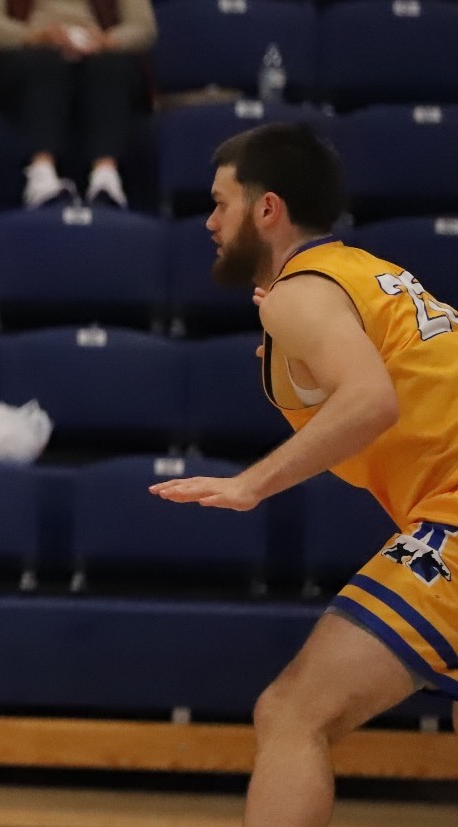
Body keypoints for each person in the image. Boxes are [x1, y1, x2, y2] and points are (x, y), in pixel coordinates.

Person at [151, 122, 458, 826]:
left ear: (268, 210)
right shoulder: (361, 274)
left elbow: (371, 400)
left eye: (221, 203)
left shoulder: (301, 293)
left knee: (292, 712)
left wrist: (250, 484)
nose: (209, 221)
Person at [0, 0, 156, 208]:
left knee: (108, 68)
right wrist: (33, 37)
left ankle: (106, 179)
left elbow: (143, 28)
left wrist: (107, 41)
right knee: (46, 64)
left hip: (99, 53)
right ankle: (42, 177)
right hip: (24, 53)